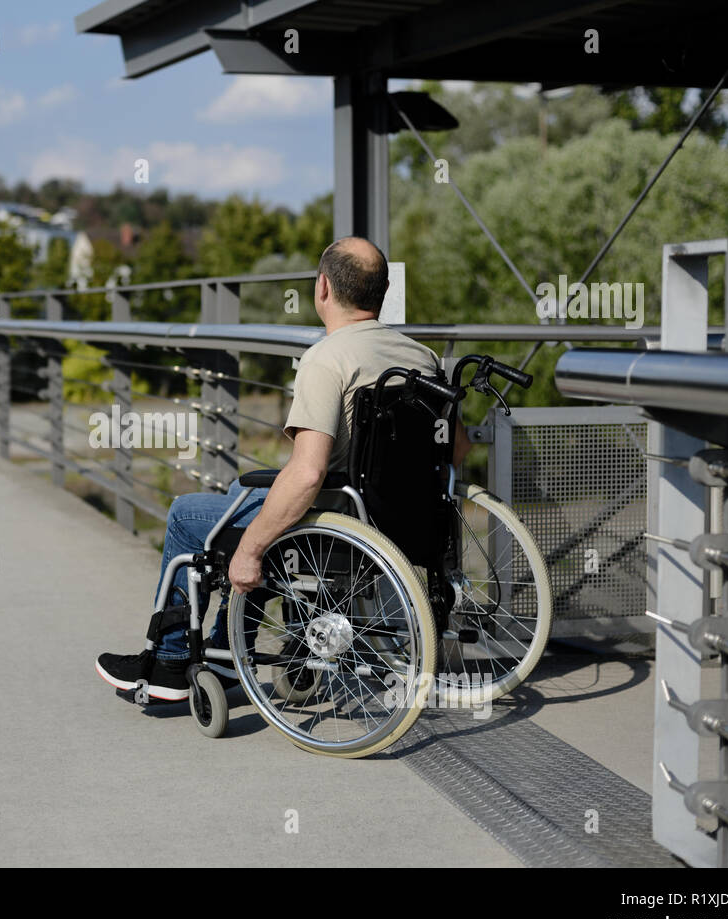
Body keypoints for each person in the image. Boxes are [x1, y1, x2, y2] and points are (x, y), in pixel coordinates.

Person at [95, 237, 460, 701]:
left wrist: (250, 549)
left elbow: (307, 474)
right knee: (236, 493)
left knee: (188, 514)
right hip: (392, 523)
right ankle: (228, 650)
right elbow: (456, 450)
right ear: (382, 293)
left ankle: (167, 661)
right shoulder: (420, 359)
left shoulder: (327, 360)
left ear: (322, 287)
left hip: (330, 524)